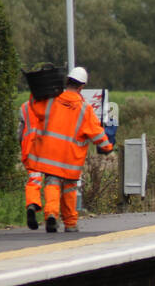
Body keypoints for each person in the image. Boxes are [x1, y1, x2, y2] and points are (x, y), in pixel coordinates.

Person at [20, 65, 113, 233]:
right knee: (69, 188)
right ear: (81, 86)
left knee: (52, 184)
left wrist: (36, 92)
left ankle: (51, 215)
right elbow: (97, 133)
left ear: (67, 81)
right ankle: (70, 223)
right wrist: (106, 147)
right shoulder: (85, 109)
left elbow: (34, 106)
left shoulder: (51, 101)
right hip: (71, 159)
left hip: (49, 155)